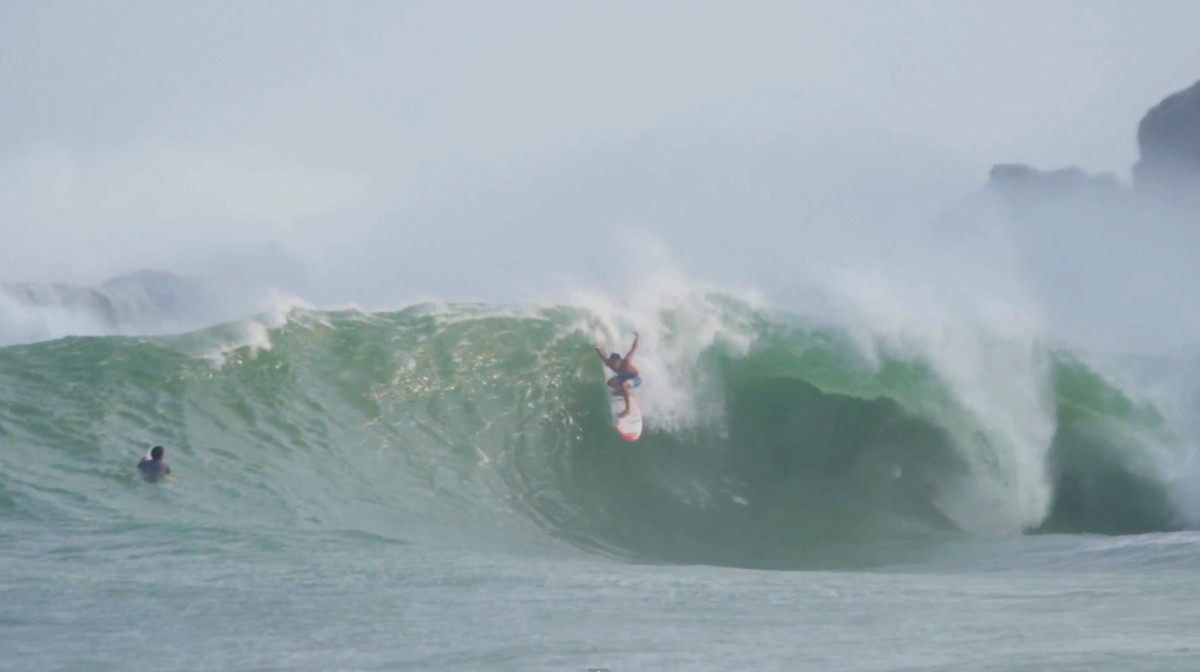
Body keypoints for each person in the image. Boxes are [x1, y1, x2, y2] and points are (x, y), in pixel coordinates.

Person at [595, 332, 640, 417]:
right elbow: (601, 355)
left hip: (636, 378)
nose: (615, 364)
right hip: (623, 377)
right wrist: (598, 347)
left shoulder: (626, 361)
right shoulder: (609, 363)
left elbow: (633, 348)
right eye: (613, 362)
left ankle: (627, 410)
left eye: (616, 362)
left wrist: (637, 338)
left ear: (620, 361)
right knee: (610, 383)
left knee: (624, 385)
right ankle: (622, 392)